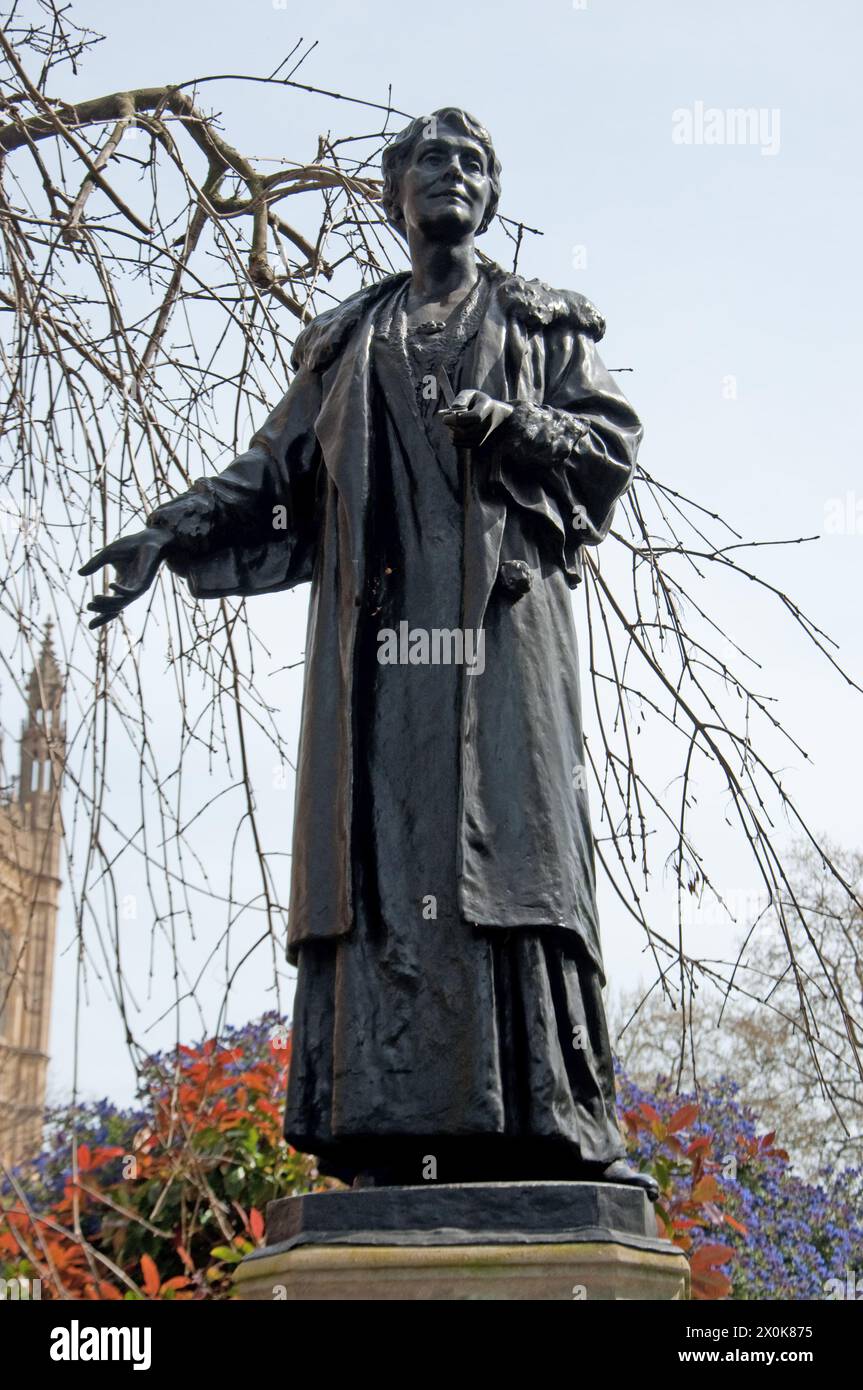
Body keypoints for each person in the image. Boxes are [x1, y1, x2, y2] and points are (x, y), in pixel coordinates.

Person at [81, 107, 656, 1198]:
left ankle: (541, 1120)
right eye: (433, 159)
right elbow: (270, 472)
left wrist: (514, 427)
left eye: (475, 162)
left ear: (490, 198)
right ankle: (387, 1120)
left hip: (497, 640)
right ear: (394, 193)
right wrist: (163, 532)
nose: (454, 175)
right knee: (388, 866)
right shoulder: (351, 342)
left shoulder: (540, 328)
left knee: (512, 857)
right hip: (383, 663)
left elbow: (608, 449)